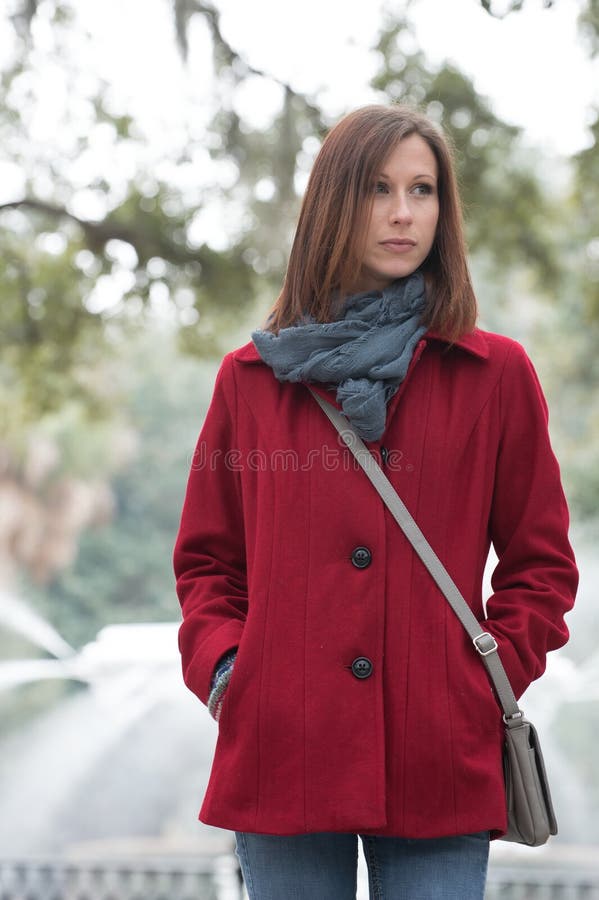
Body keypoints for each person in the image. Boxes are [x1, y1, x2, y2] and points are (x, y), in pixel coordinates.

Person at [173, 104, 578, 900]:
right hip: (280, 749)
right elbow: (207, 562)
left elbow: (539, 566)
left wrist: (477, 683)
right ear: (333, 204)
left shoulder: (494, 374)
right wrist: (230, 674)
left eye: (422, 189)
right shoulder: (250, 382)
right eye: (377, 189)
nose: (402, 213)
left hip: (440, 755)